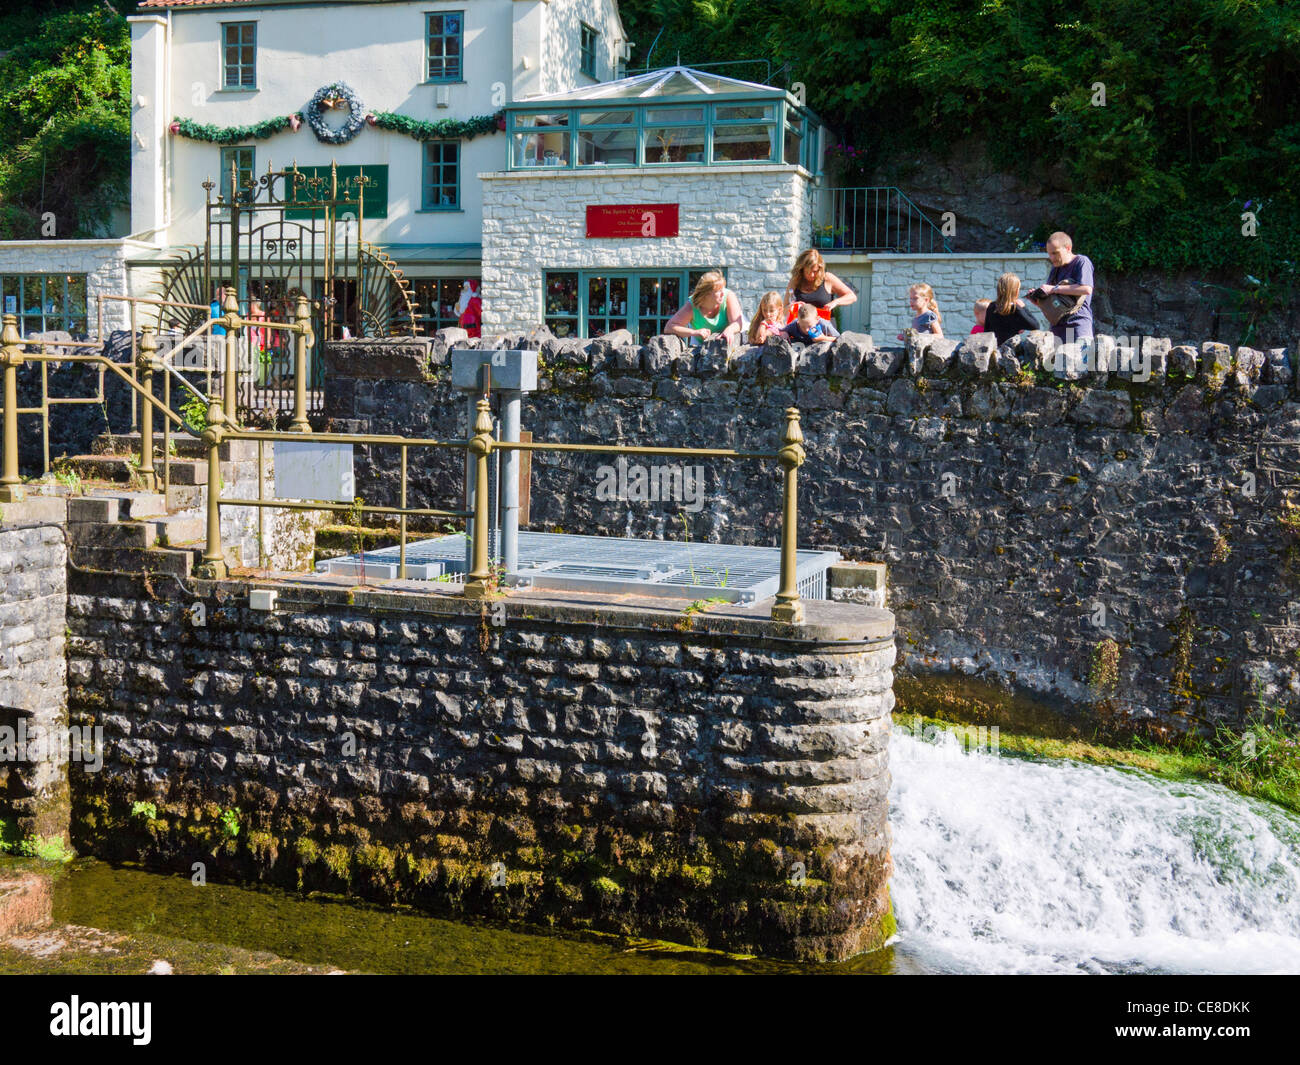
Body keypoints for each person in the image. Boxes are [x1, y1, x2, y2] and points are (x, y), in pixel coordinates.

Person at [1032, 231, 1095, 342]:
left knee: (1079, 359)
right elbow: (1052, 299)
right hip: (1057, 329)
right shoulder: (1055, 269)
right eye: (1049, 254)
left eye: (1055, 253)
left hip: (1078, 326)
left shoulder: (1081, 262)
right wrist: (1039, 301)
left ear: (1068, 248)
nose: (1052, 258)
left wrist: (1053, 289)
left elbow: (1086, 289)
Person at [665, 270, 742, 345]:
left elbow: (737, 323)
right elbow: (669, 327)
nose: (723, 293)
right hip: (702, 345)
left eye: (723, 289)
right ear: (706, 294)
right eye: (718, 291)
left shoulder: (729, 296)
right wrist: (694, 332)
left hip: (734, 343)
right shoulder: (692, 305)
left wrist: (729, 330)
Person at [784, 249, 856, 322]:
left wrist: (835, 302)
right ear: (801, 269)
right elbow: (784, 310)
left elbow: (852, 296)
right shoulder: (795, 281)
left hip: (825, 328)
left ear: (820, 268)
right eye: (807, 272)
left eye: (815, 271)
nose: (811, 275)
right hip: (801, 328)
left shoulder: (827, 278)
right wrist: (792, 307)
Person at [983, 273, 1041, 346]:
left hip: (995, 348)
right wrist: (1023, 308)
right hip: (1011, 350)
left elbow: (987, 330)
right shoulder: (1015, 308)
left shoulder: (991, 306)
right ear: (1016, 291)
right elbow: (1035, 326)